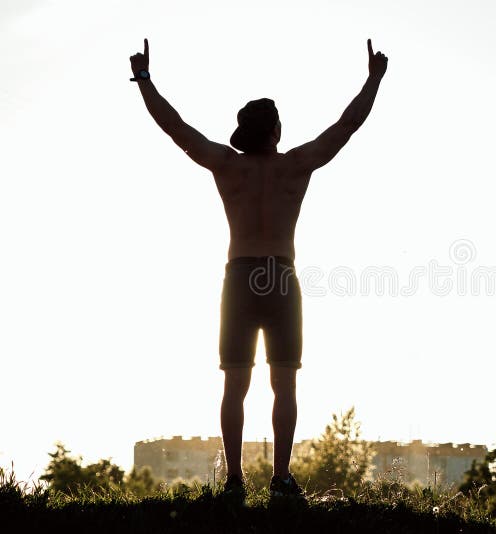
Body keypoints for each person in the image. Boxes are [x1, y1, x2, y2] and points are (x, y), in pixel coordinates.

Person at [129, 38, 388, 498]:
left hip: (241, 278)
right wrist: (373, 79)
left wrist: (145, 80)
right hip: (280, 278)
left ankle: (234, 480)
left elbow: (176, 128)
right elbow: (346, 125)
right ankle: (281, 478)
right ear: (275, 131)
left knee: (235, 385)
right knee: (284, 385)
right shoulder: (297, 165)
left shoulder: (227, 166)